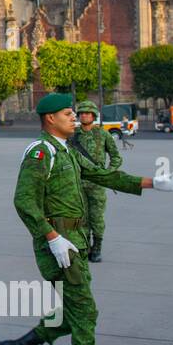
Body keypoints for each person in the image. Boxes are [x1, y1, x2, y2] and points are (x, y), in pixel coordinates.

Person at [0, 93, 173, 345]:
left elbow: (104, 175)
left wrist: (153, 182)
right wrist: (52, 237)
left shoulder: (66, 152)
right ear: (50, 119)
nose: (75, 118)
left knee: (76, 312)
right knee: (84, 313)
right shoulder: (41, 153)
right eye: (68, 114)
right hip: (58, 245)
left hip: (74, 241)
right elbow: (24, 201)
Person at [69, 100, 122, 263]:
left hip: (97, 185)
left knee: (97, 218)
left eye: (88, 113)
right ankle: (85, 247)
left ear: (94, 115)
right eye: (82, 113)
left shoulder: (103, 134)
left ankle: (97, 248)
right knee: (81, 218)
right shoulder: (73, 135)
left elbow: (116, 157)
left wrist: (107, 173)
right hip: (77, 183)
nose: (84, 115)